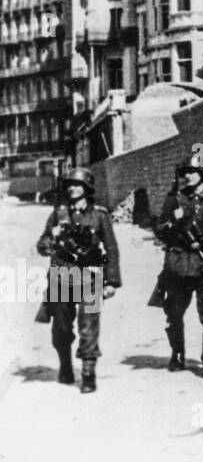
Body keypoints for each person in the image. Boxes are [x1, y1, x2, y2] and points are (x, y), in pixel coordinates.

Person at [35, 168, 120, 393]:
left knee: (89, 325)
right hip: (61, 277)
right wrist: (50, 240)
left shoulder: (99, 215)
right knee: (61, 327)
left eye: (77, 185)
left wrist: (111, 281)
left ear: (87, 188)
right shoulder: (58, 214)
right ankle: (65, 364)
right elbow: (42, 245)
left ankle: (88, 372)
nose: (73, 188)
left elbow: (111, 249)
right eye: (70, 185)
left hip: (91, 278)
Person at [154, 154, 203, 380]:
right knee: (174, 313)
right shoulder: (174, 200)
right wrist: (174, 222)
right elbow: (160, 231)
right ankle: (177, 355)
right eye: (184, 173)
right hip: (179, 266)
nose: (187, 176)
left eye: (192, 172)